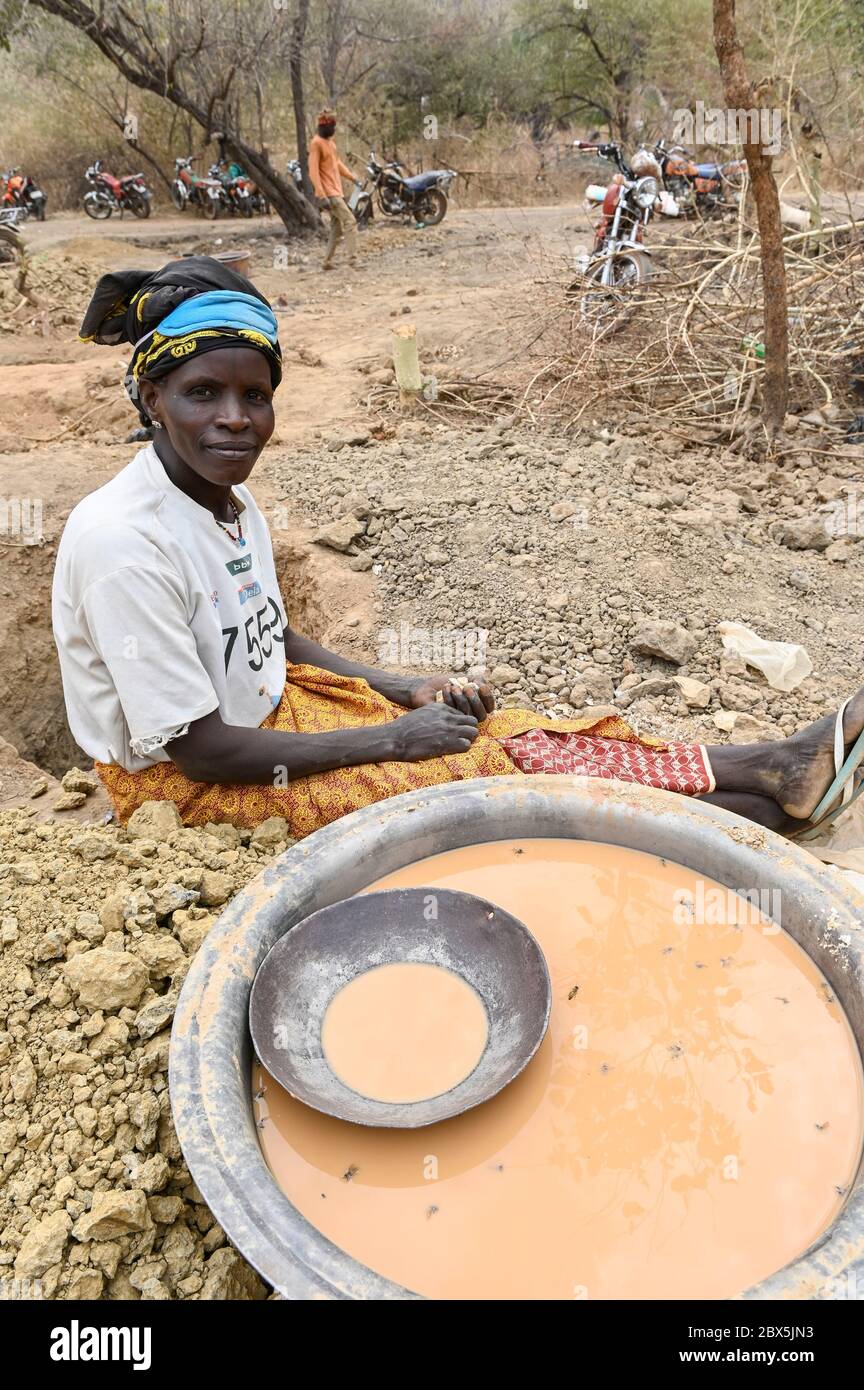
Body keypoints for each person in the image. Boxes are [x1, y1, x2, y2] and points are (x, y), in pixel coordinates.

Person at [53, 258, 864, 842]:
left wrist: (404, 687)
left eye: (254, 396)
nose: (235, 418)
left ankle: (765, 768)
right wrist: (386, 740)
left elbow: (275, 634)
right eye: (204, 393)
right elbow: (200, 753)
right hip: (192, 791)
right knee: (473, 785)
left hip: (270, 713)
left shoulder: (225, 499)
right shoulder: (125, 542)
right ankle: (738, 811)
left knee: (509, 733)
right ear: (152, 396)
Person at [307, 108, 359, 271]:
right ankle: (353, 260)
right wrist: (321, 195)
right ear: (325, 126)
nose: (334, 129)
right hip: (329, 194)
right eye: (332, 126)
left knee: (336, 229)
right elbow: (313, 171)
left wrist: (352, 177)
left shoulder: (331, 143)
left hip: (336, 191)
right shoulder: (316, 143)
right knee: (350, 221)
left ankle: (326, 262)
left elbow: (337, 164)